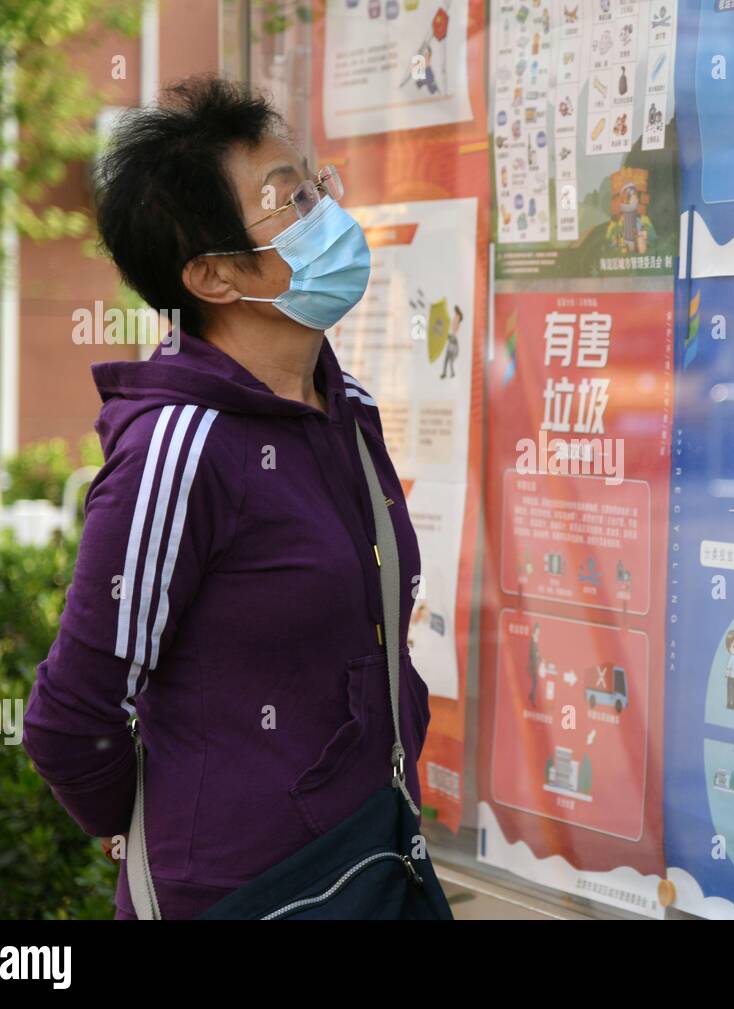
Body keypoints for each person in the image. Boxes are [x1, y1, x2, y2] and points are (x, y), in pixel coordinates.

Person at [21, 77, 433, 920]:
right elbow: (71, 719)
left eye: (315, 187)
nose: (325, 214)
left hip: (374, 862)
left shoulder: (342, 405)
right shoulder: (178, 449)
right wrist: (171, 832)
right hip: (245, 896)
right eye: (289, 200)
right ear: (211, 274)